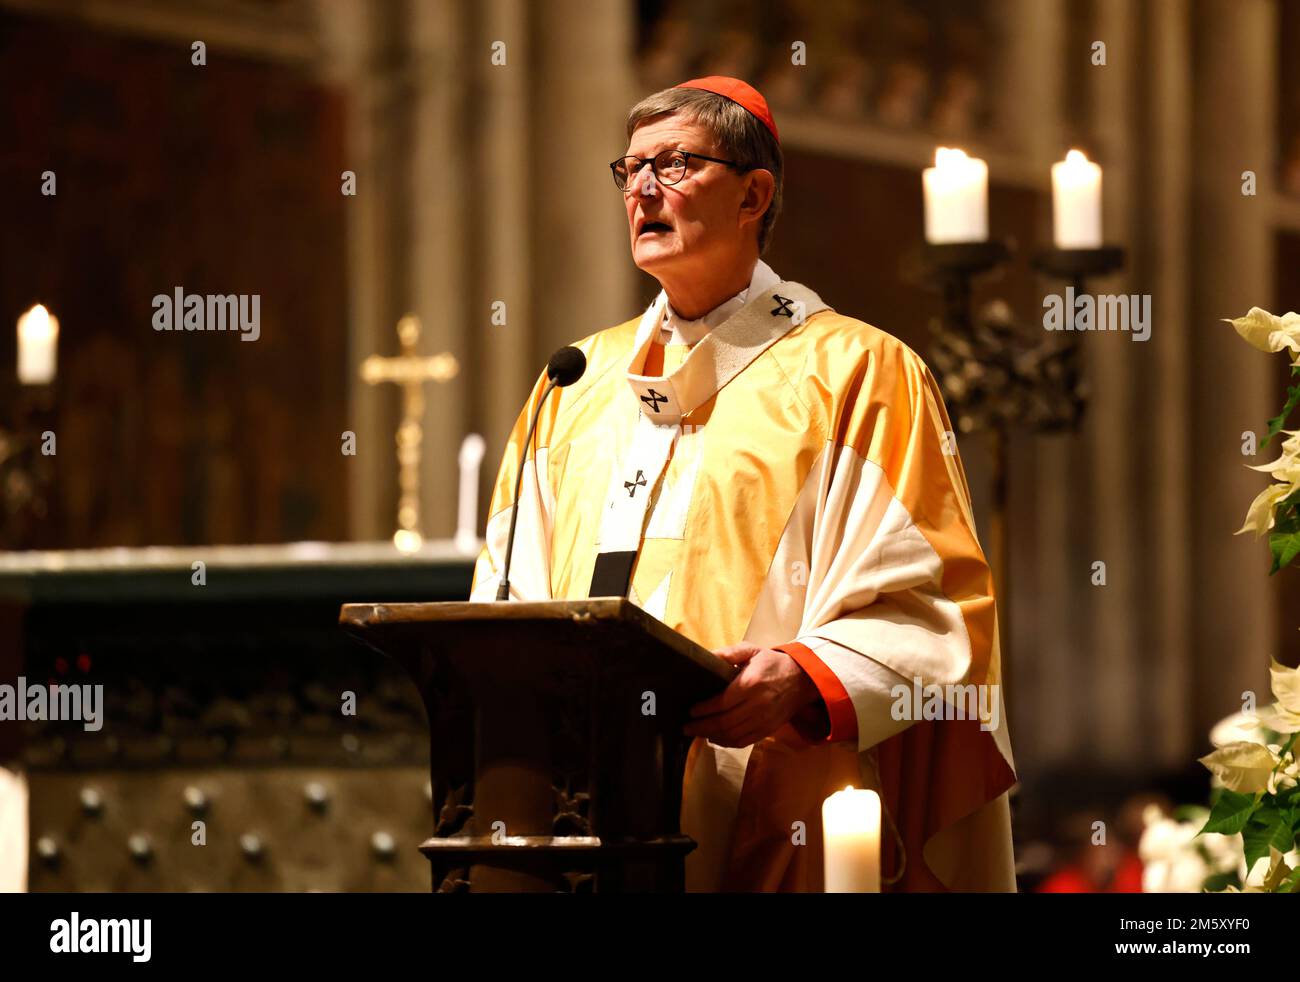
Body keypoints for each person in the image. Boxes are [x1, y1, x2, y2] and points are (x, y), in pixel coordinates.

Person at [472, 76, 1016, 891]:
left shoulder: (858, 373)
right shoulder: (575, 384)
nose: (644, 190)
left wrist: (806, 672)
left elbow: (938, 611)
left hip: (778, 792)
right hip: (584, 804)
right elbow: (507, 597)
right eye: (631, 170)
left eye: (676, 165)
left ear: (754, 194)